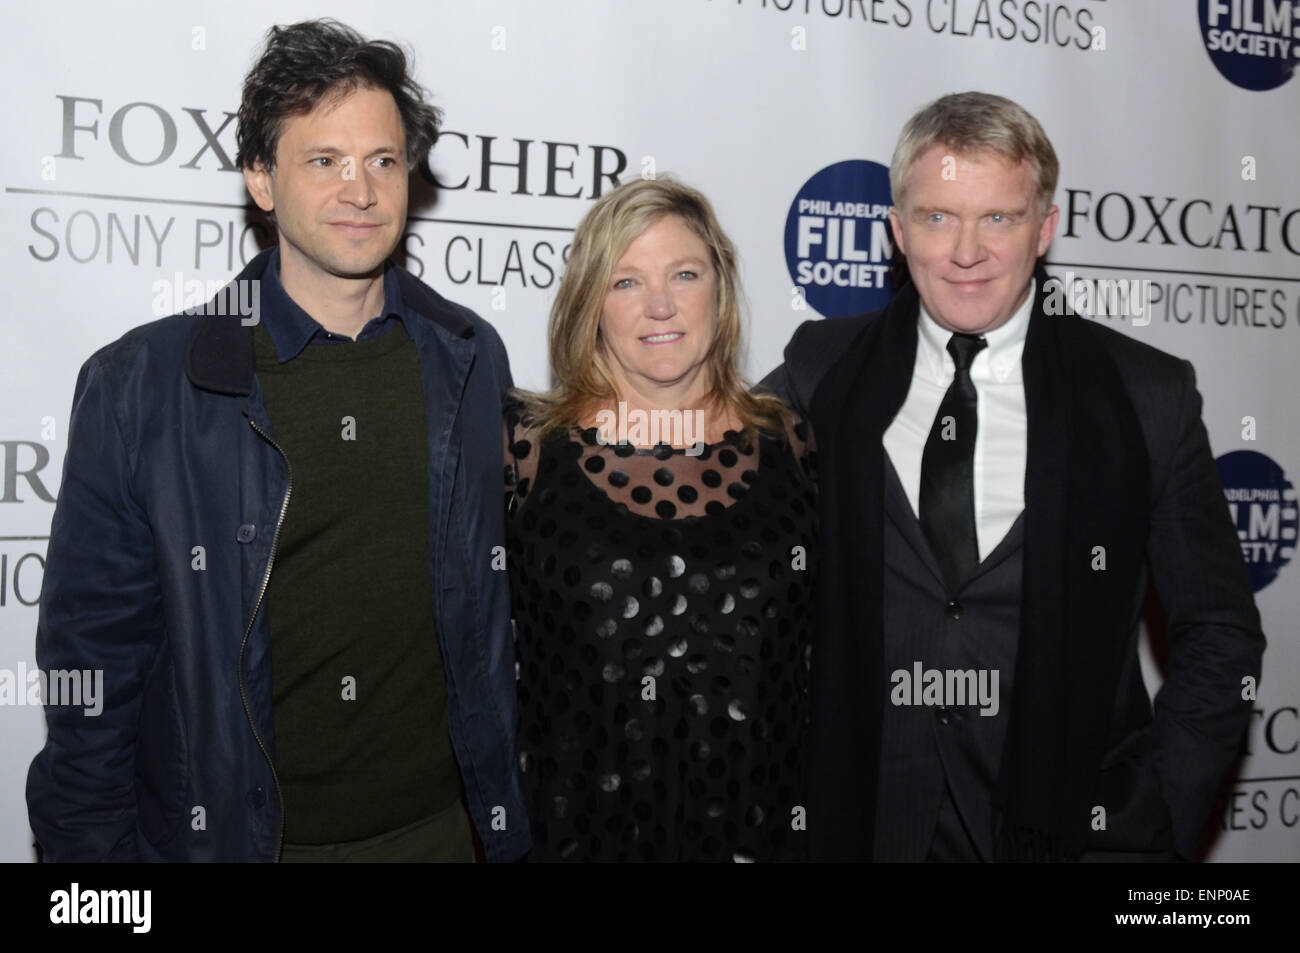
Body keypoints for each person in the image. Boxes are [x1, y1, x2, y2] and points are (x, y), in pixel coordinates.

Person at [27, 19, 528, 862]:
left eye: (382, 160)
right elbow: (92, 680)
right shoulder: (144, 385)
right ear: (261, 179)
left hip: (445, 836)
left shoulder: (469, 357)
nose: (360, 190)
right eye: (322, 160)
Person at [761, 91, 1264, 862]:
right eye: (937, 217)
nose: (969, 251)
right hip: (855, 826)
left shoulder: (1145, 395)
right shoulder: (821, 369)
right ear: (898, 232)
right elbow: (706, 515)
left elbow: (1220, 632)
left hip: (1066, 833)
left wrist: (1152, 808)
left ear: (1045, 229)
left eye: (999, 217)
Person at [504, 177, 816, 861]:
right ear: (591, 302)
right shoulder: (523, 449)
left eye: (685, 273)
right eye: (626, 282)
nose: (661, 305)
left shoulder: (793, 442)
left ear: (721, 289)